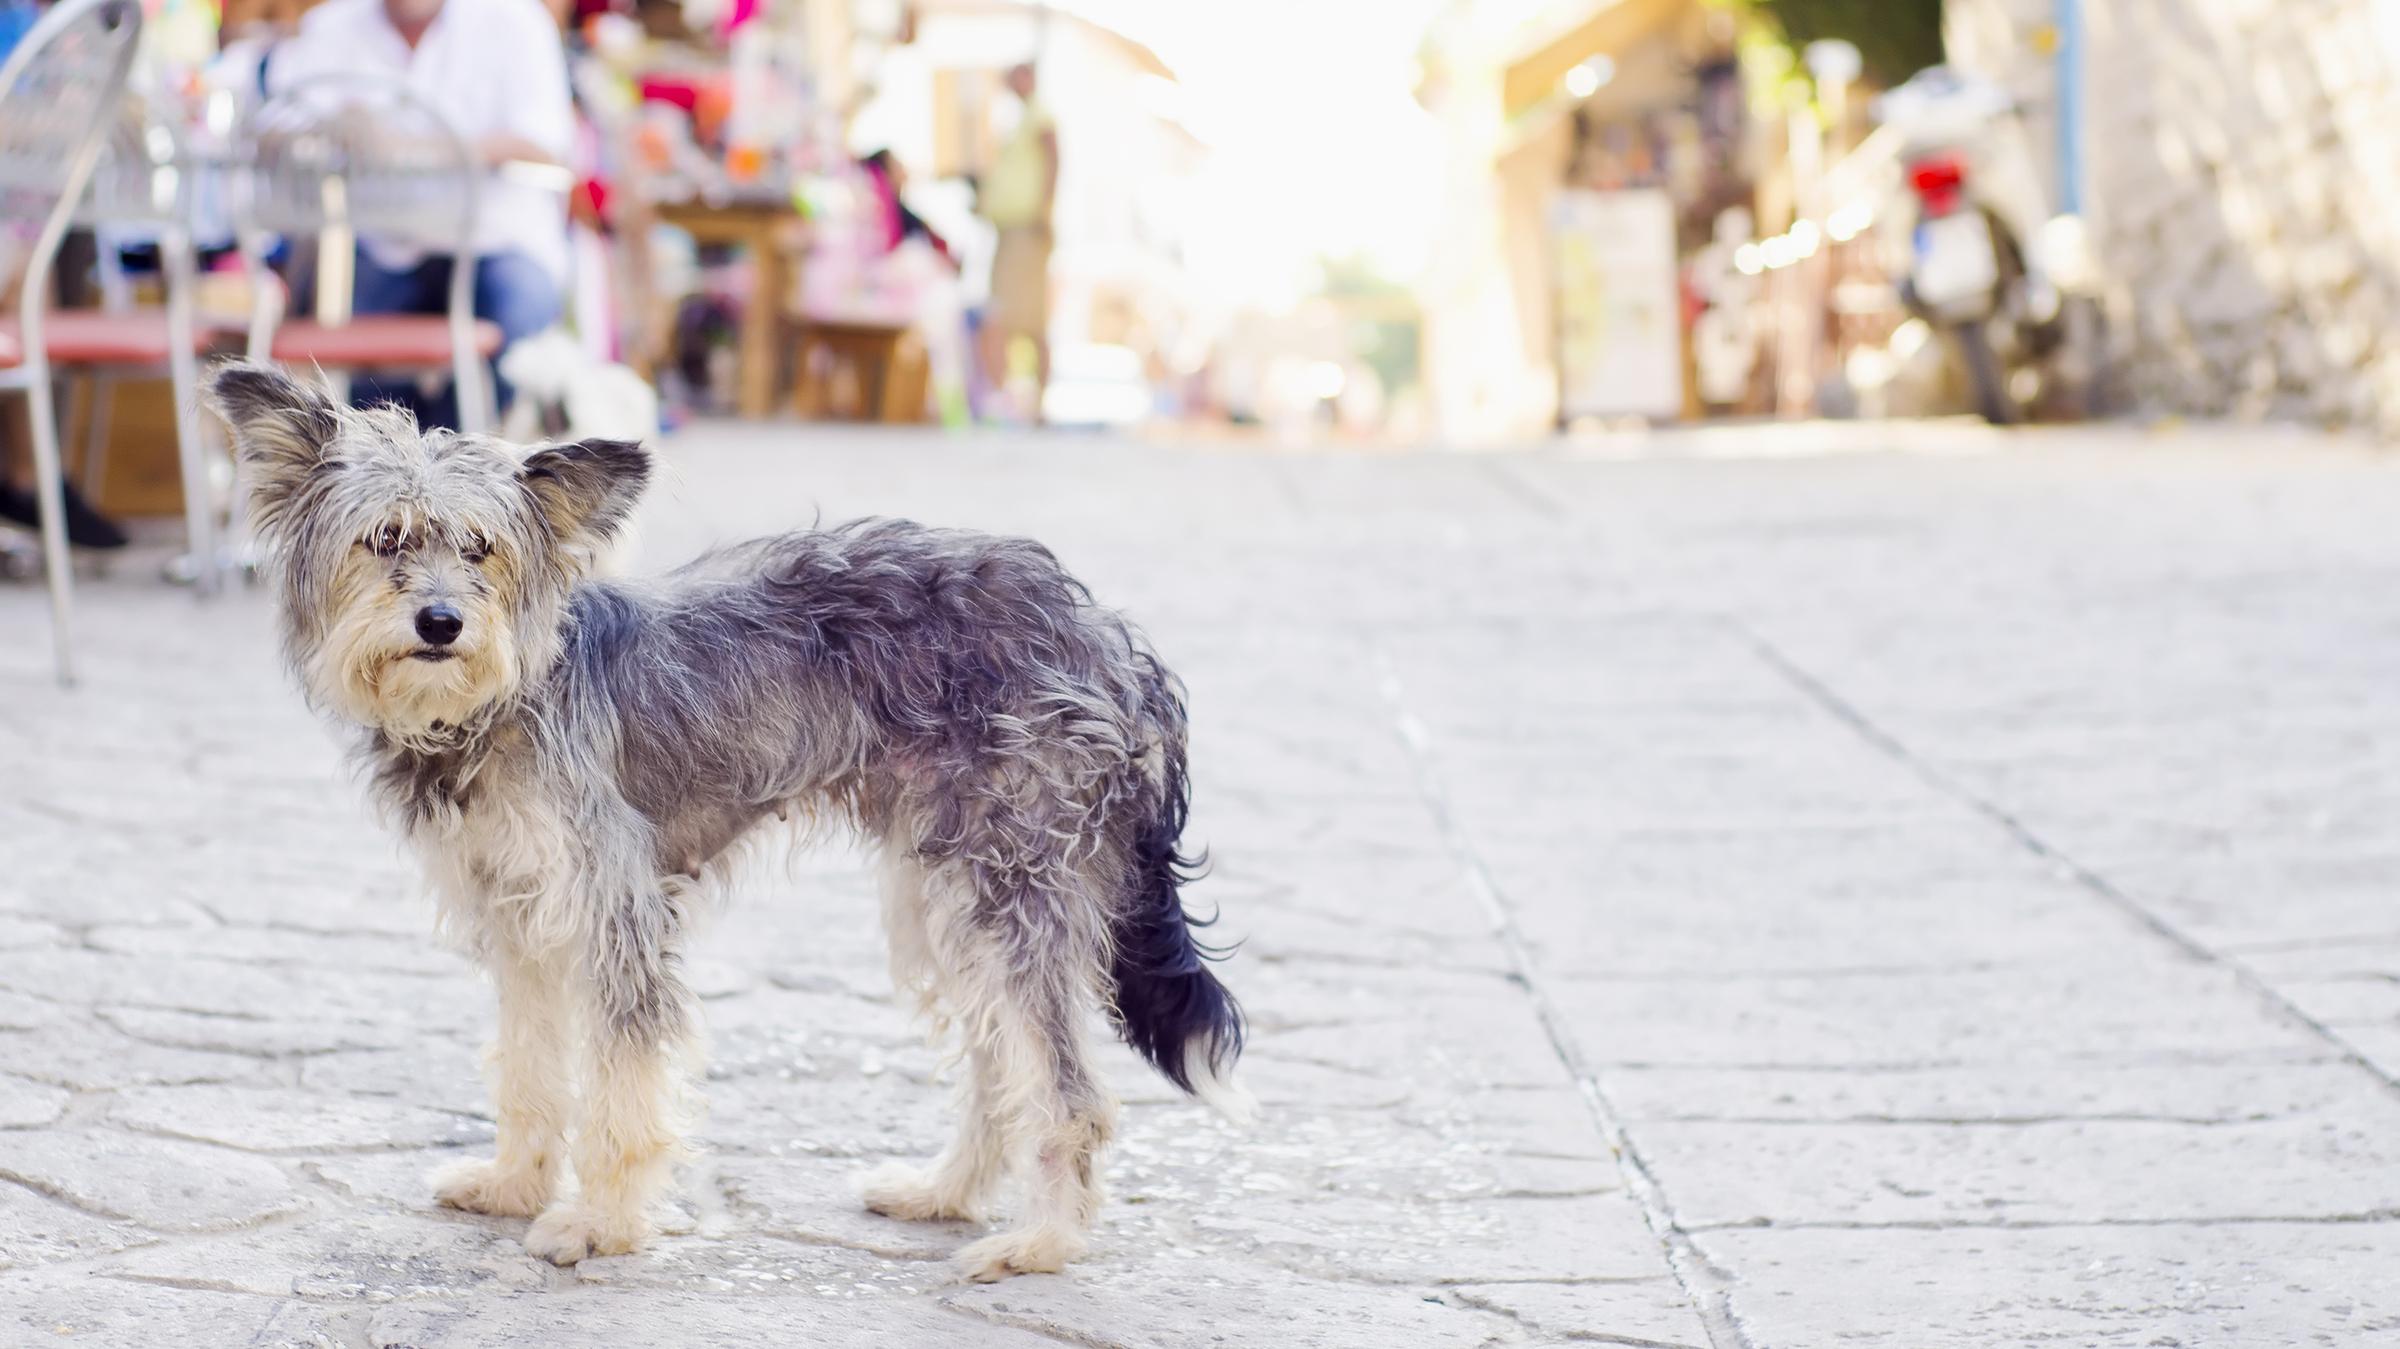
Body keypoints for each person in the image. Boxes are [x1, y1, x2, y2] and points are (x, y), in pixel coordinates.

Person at [268, 0, 575, 429]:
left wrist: (412, 149)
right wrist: (334, 129)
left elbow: (543, 141)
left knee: (518, 328)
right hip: (377, 247)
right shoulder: (330, 25)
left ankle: (452, 450)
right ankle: (392, 452)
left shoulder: (515, 21)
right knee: (355, 382)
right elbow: (273, 130)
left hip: (497, 243)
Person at [977, 61, 1056, 423]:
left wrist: (1044, 210)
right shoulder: (1018, 119)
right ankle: (1007, 399)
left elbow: (1053, 157)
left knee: (1019, 317)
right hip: (1011, 228)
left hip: (1026, 229)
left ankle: (1022, 402)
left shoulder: (1039, 114)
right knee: (1008, 316)